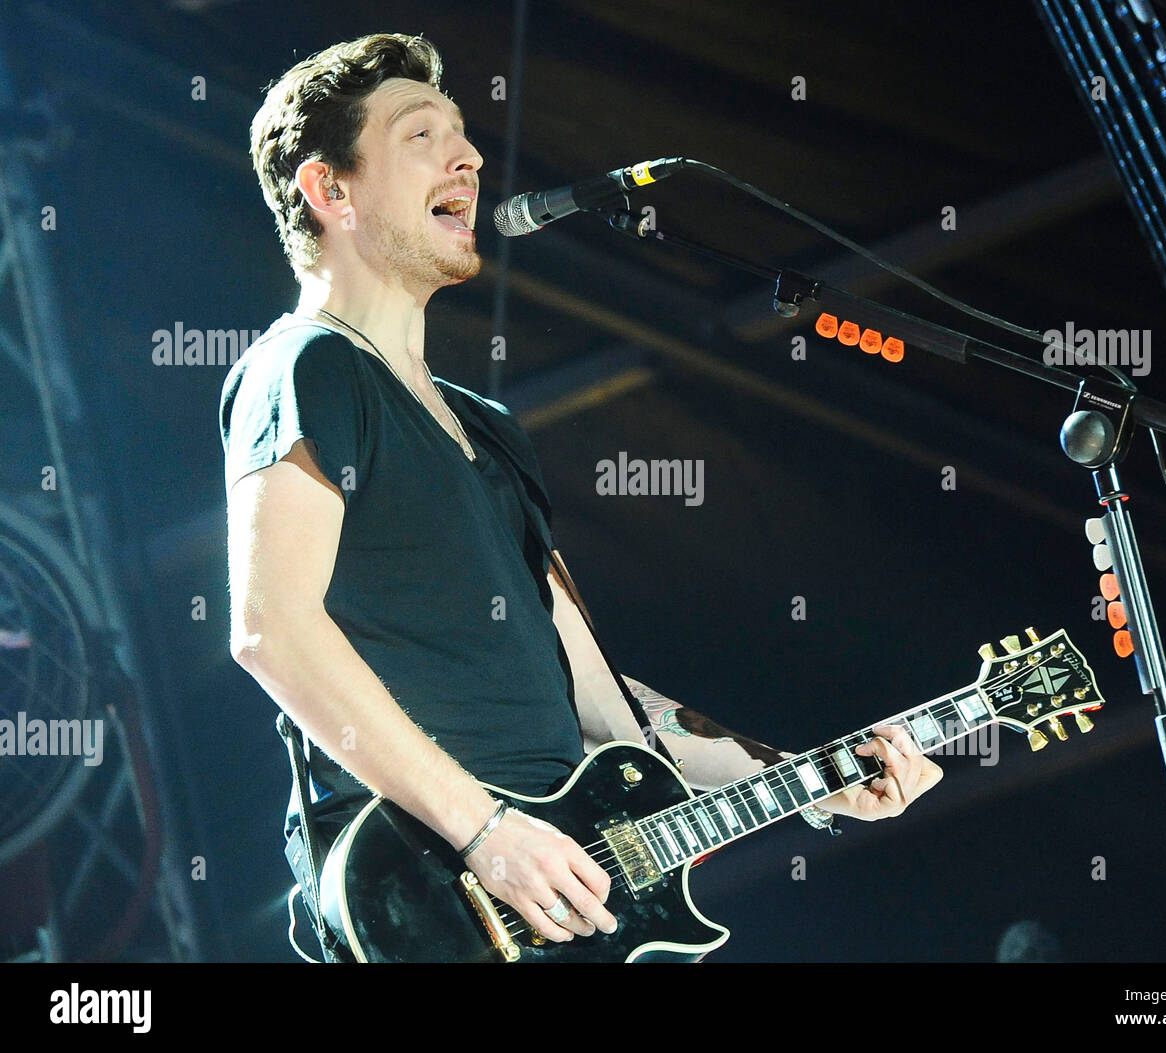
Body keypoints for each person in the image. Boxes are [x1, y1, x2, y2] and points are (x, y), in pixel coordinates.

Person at [222, 32, 942, 954]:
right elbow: (268, 628)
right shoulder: (304, 364)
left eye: (465, 133)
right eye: (420, 134)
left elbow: (603, 706)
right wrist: (484, 830)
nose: (470, 156)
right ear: (331, 191)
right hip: (430, 896)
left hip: (565, 898)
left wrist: (816, 780)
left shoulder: (486, 425)